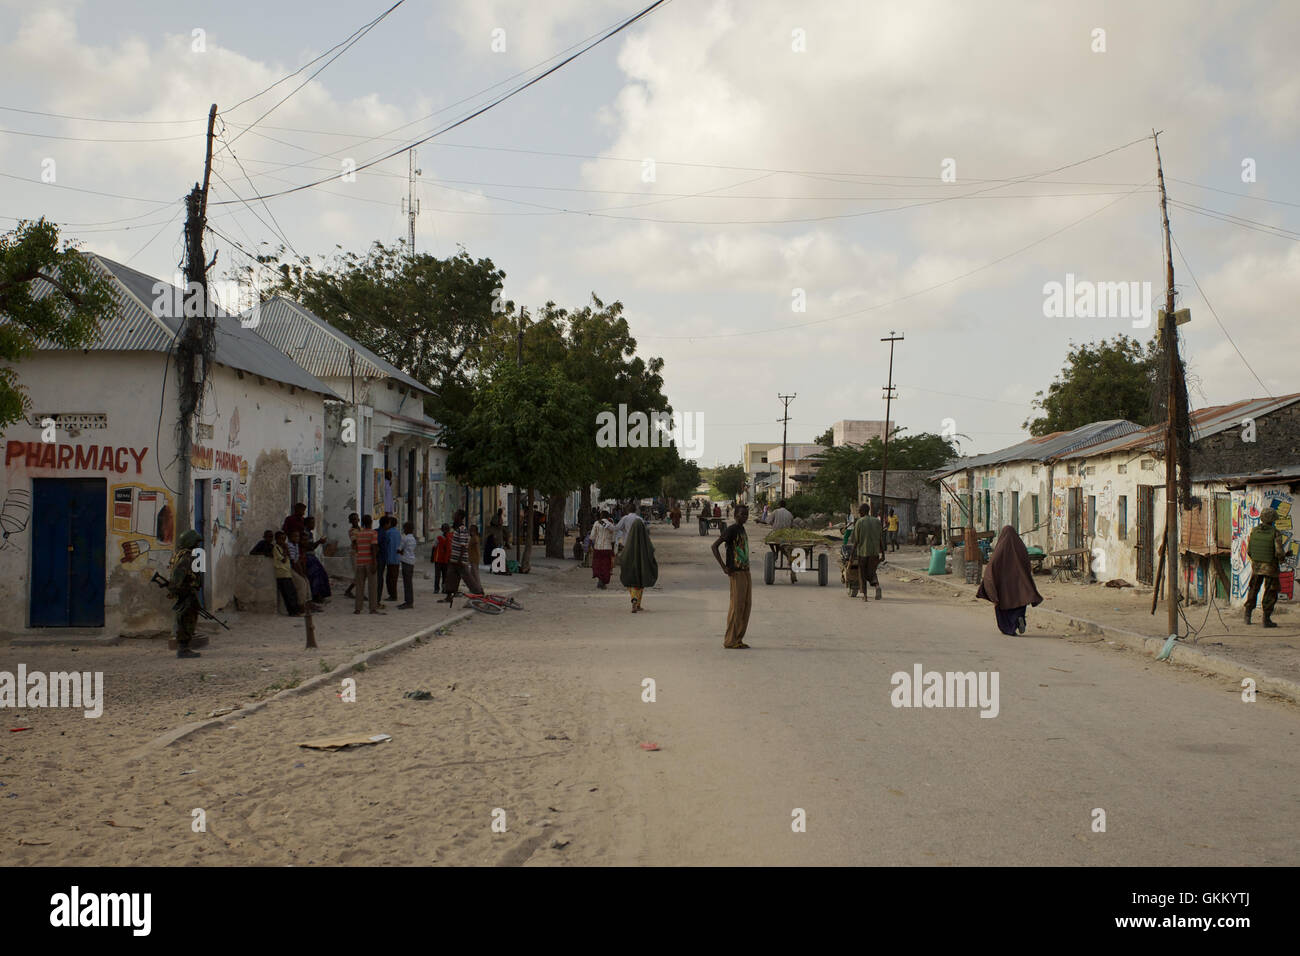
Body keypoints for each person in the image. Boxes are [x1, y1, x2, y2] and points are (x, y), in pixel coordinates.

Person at [977, 525, 1044, 635]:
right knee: (1020, 604)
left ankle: (1009, 629)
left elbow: (991, 567)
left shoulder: (1000, 549)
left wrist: (990, 587)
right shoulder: (1020, 547)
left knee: (1003, 609)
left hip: (1004, 589)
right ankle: (1019, 618)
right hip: (1020, 586)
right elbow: (1027, 564)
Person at [712, 504, 752, 648]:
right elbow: (714, 546)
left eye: (746, 514)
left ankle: (738, 639)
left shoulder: (742, 529)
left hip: (745, 571)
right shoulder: (732, 529)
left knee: (746, 606)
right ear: (735, 515)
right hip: (736, 572)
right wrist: (724, 567)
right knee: (737, 606)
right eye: (742, 514)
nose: (745, 517)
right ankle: (730, 640)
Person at [1244, 508, 1287, 627]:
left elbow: (1249, 551)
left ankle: (1247, 615)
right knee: (1270, 592)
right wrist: (1283, 558)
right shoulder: (1275, 533)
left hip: (1257, 567)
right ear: (1272, 519)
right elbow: (1279, 552)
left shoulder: (1255, 531)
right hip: (1270, 568)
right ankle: (1266, 619)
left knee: (1253, 589)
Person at [168, 529, 204, 658]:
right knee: (186, 619)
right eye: (195, 543)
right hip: (186, 592)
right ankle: (183, 649)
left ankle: (184, 647)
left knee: (188, 618)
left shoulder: (180, 554)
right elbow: (178, 577)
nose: (197, 545)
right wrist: (180, 590)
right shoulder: (186, 557)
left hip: (187, 591)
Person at [619, 513, 658, 613]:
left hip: (631, 567)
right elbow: (651, 550)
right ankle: (638, 603)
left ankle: (633, 599)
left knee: (631, 584)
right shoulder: (645, 541)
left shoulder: (629, 542)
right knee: (640, 584)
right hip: (642, 566)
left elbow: (623, 555)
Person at [849, 502, 885, 602]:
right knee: (872, 572)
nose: (859, 512)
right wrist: (883, 554)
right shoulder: (877, 522)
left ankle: (865, 596)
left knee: (862, 574)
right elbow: (880, 539)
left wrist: (852, 556)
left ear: (864, 511)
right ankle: (877, 586)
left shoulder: (859, 522)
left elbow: (856, 541)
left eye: (860, 510)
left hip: (863, 553)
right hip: (874, 553)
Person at [352, 515, 382, 614]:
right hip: (369, 561)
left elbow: (356, 547)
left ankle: (358, 608)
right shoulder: (373, 533)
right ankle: (372, 608)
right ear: (371, 522)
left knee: (359, 586)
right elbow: (373, 548)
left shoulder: (358, 534)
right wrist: (374, 562)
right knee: (372, 586)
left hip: (360, 561)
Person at [300, 517, 331, 604]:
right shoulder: (306, 534)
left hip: (311, 556)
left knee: (321, 574)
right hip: (308, 556)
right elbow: (309, 547)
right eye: (312, 523)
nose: (313, 525)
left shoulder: (309, 533)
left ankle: (319, 595)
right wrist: (319, 542)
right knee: (316, 575)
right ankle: (316, 596)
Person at [273, 531, 302, 617]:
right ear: (277, 539)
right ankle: (292, 611)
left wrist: (286, 550)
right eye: (281, 539)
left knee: (292, 592)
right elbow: (283, 560)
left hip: (287, 573)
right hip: (282, 574)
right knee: (288, 594)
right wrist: (285, 550)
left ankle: (296, 610)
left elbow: (289, 556)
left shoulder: (282, 547)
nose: (283, 541)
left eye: (284, 539)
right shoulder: (276, 548)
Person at [769, 499, 797, 583]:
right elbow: (792, 525)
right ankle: (783, 554)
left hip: (777, 534)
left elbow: (769, 521)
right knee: (783, 546)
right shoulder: (789, 513)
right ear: (785, 505)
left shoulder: (775, 512)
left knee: (770, 540)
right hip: (786, 535)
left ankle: (775, 552)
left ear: (778, 505)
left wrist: (774, 524)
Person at [590, 511, 616, 589]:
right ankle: (603, 582)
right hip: (607, 548)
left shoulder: (596, 523)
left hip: (598, 547)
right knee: (606, 565)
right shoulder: (611, 525)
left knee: (598, 564)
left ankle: (600, 580)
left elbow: (592, 537)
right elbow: (613, 539)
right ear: (608, 517)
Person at [381, 515, 401, 604]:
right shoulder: (398, 533)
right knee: (394, 578)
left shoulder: (387, 533)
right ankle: (394, 594)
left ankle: (393, 595)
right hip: (397, 558)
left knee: (389, 578)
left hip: (390, 558)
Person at [397, 521, 417, 609]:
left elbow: (399, 549)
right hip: (411, 561)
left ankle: (408, 602)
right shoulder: (413, 539)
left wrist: (400, 551)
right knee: (409, 582)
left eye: (404, 528)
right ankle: (409, 601)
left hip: (405, 561)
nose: (403, 530)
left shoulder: (405, 538)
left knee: (407, 583)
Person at [343, 513, 360, 598]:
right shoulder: (352, 531)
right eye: (353, 519)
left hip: (360, 553)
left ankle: (348, 591)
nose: (355, 521)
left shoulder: (361, 529)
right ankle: (355, 592)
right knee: (358, 574)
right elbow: (355, 542)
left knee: (359, 574)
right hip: (355, 553)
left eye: (356, 519)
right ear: (350, 521)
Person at [432, 523, 452, 593]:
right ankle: (437, 588)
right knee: (439, 575)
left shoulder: (449, 538)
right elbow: (434, 547)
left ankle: (443, 588)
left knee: (444, 575)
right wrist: (432, 557)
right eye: (445, 529)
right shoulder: (439, 537)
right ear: (442, 530)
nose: (446, 530)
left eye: (447, 529)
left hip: (445, 560)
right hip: (439, 559)